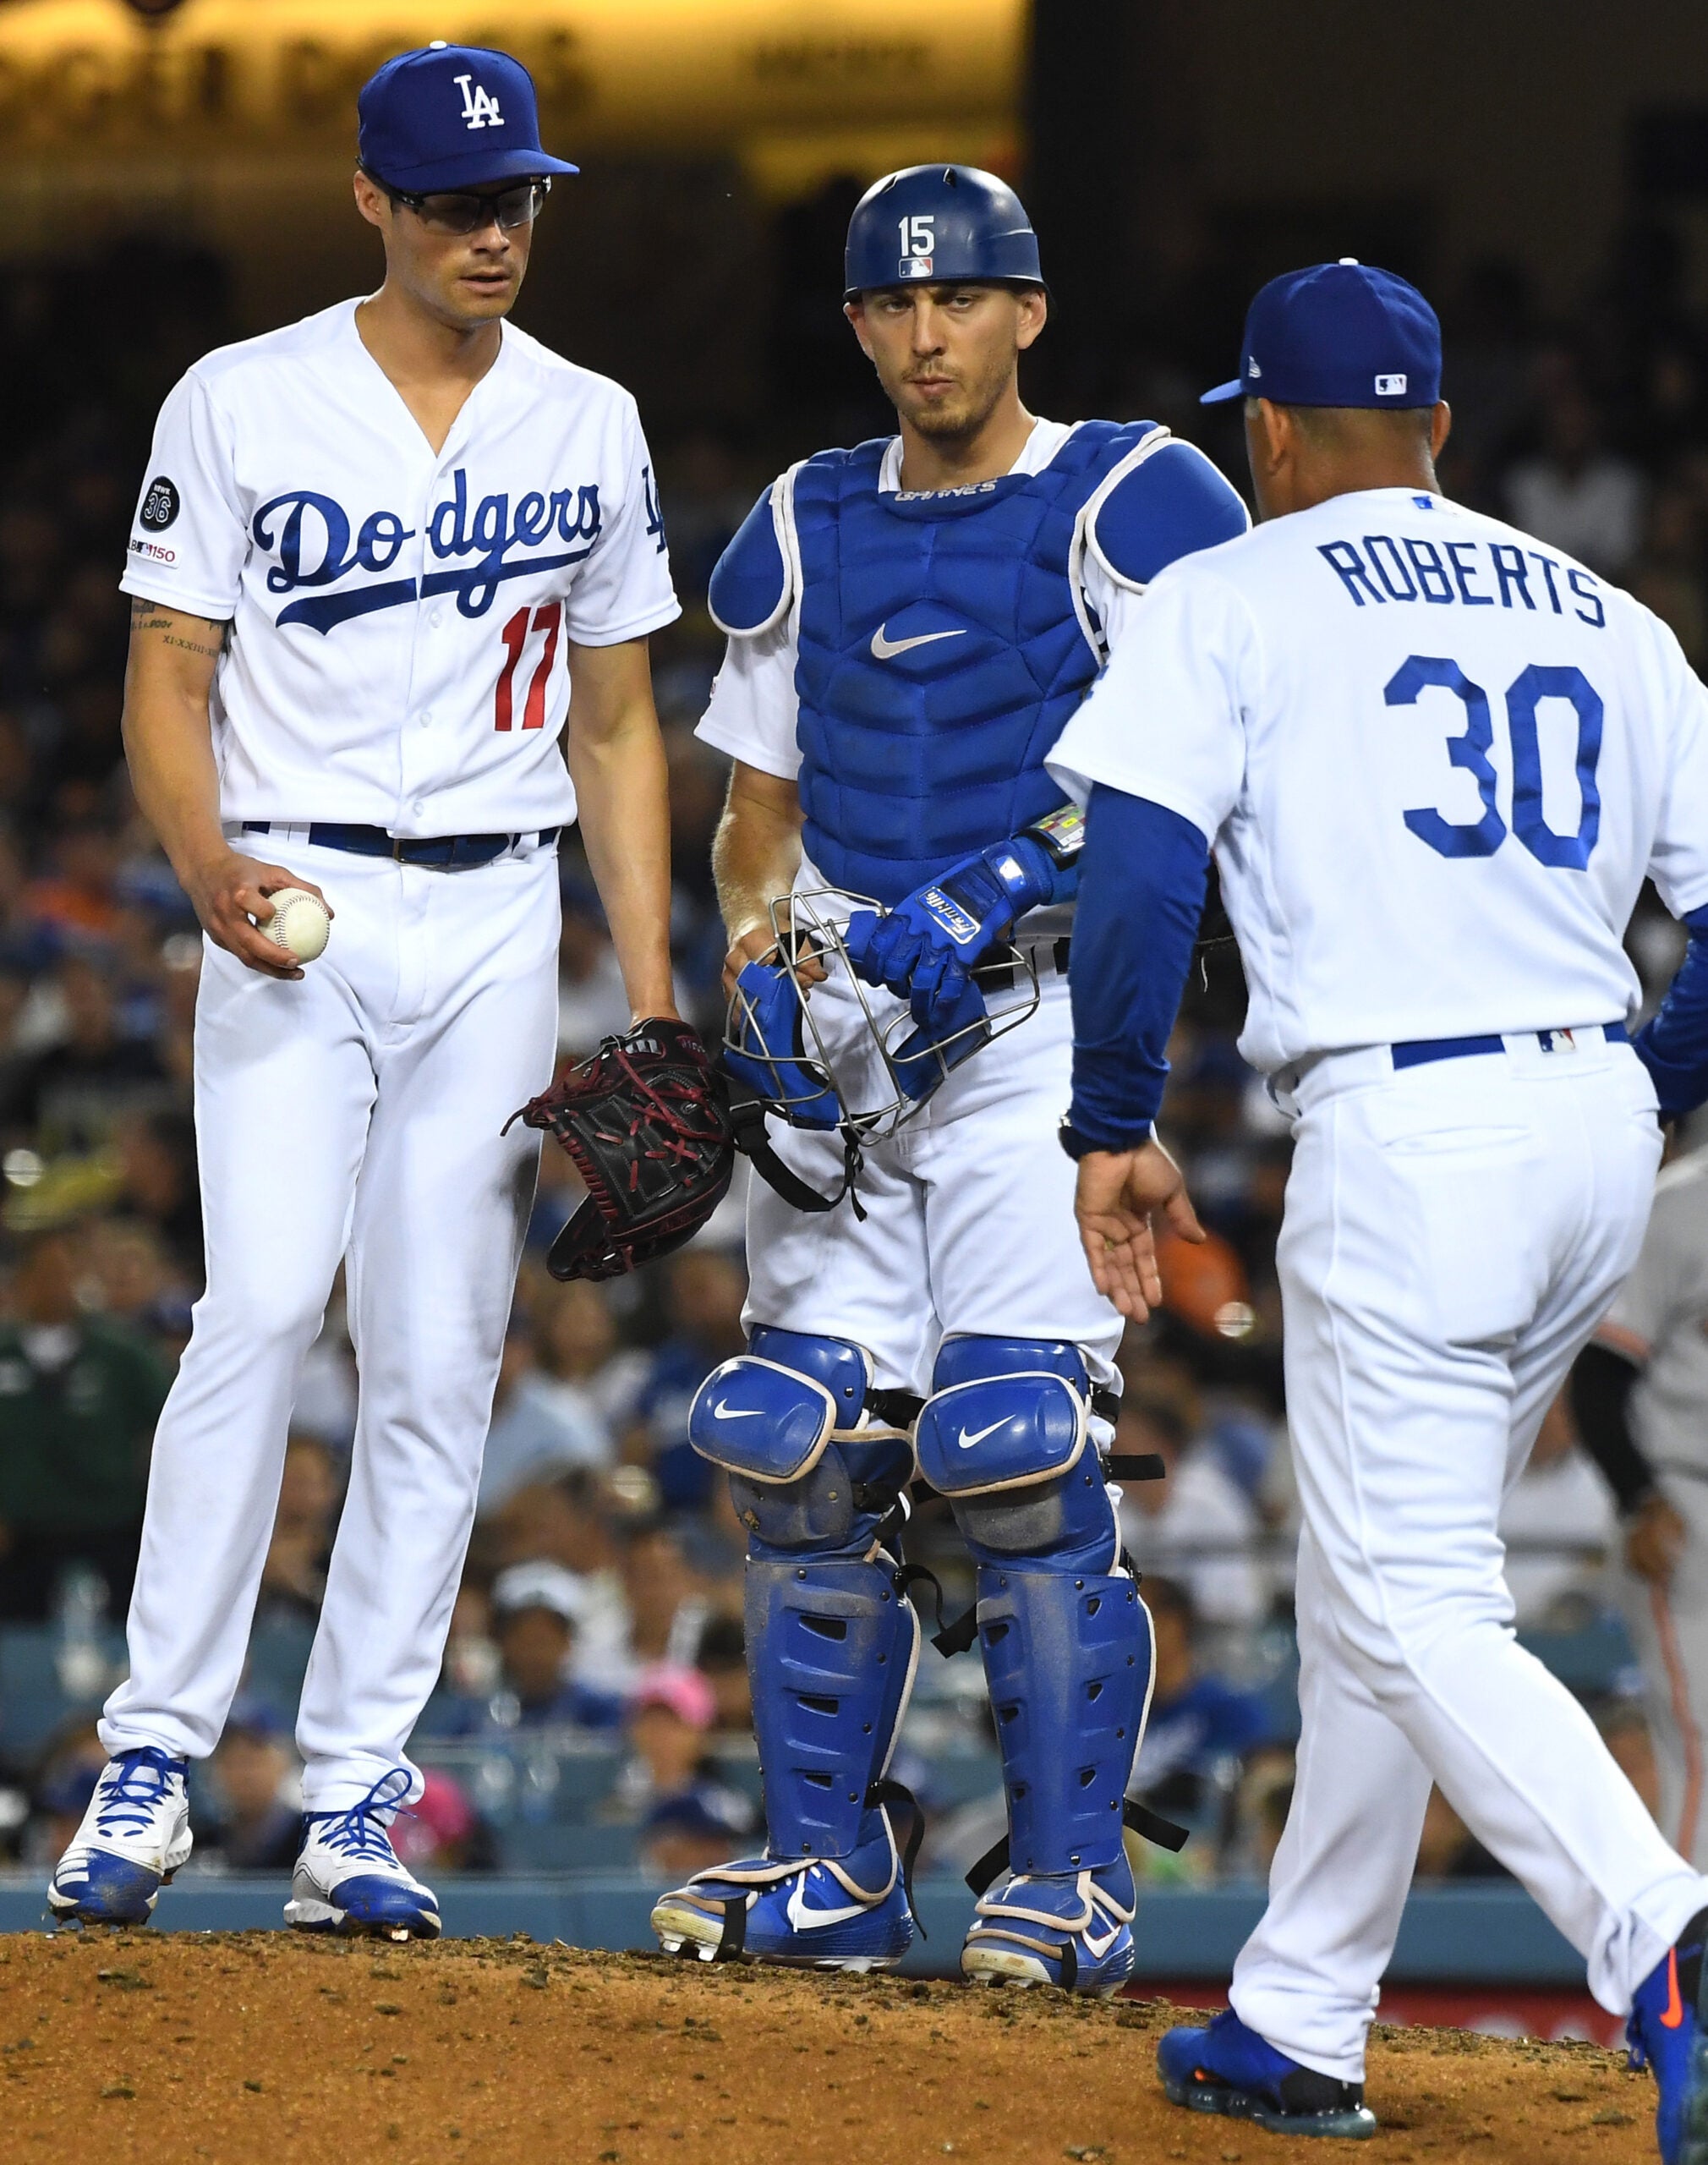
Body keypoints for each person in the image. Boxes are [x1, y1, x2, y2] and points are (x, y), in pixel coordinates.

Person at [1048, 257, 1708, 2153]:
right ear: (1432, 424)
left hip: (1409, 1138)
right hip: (1584, 1124)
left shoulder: (1229, 589)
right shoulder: (1606, 612)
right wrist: (1627, 1092)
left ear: (1262, 428)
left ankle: (1654, 1927)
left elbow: (1139, 877)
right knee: (1383, 1584)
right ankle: (1297, 2011)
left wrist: (1110, 1116)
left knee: (1409, 1594)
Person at [50, 43, 684, 1941]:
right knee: (255, 1305)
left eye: (514, 202)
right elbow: (168, 675)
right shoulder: (242, 397)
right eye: (453, 203)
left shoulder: (587, 417)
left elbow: (620, 719)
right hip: (290, 894)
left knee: (434, 1357)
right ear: (371, 205)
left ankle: (351, 1791)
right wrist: (202, 865)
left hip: (497, 911)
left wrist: (649, 991)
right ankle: (155, 1753)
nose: (492, 233)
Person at [651, 164, 1249, 1988]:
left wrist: (1009, 870)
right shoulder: (804, 518)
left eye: (961, 299)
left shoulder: (1130, 497)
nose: (926, 334)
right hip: (840, 1025)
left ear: (1027, 310)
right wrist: (753, 969)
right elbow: (754, 812)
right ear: (856, 324)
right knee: (799, 1442)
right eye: (893, 306)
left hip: (1035, 1022)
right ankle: (830, 1869)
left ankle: (1069, 1880)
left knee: (1013, 1448)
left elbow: (1197, 774)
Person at [1572, 1143, 1708, 1866]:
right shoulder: (1681, 1204)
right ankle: (1684, 1967)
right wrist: (1639, 1496)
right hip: (1688, 1503)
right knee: (1700, 1748)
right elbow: (1599, 1371)